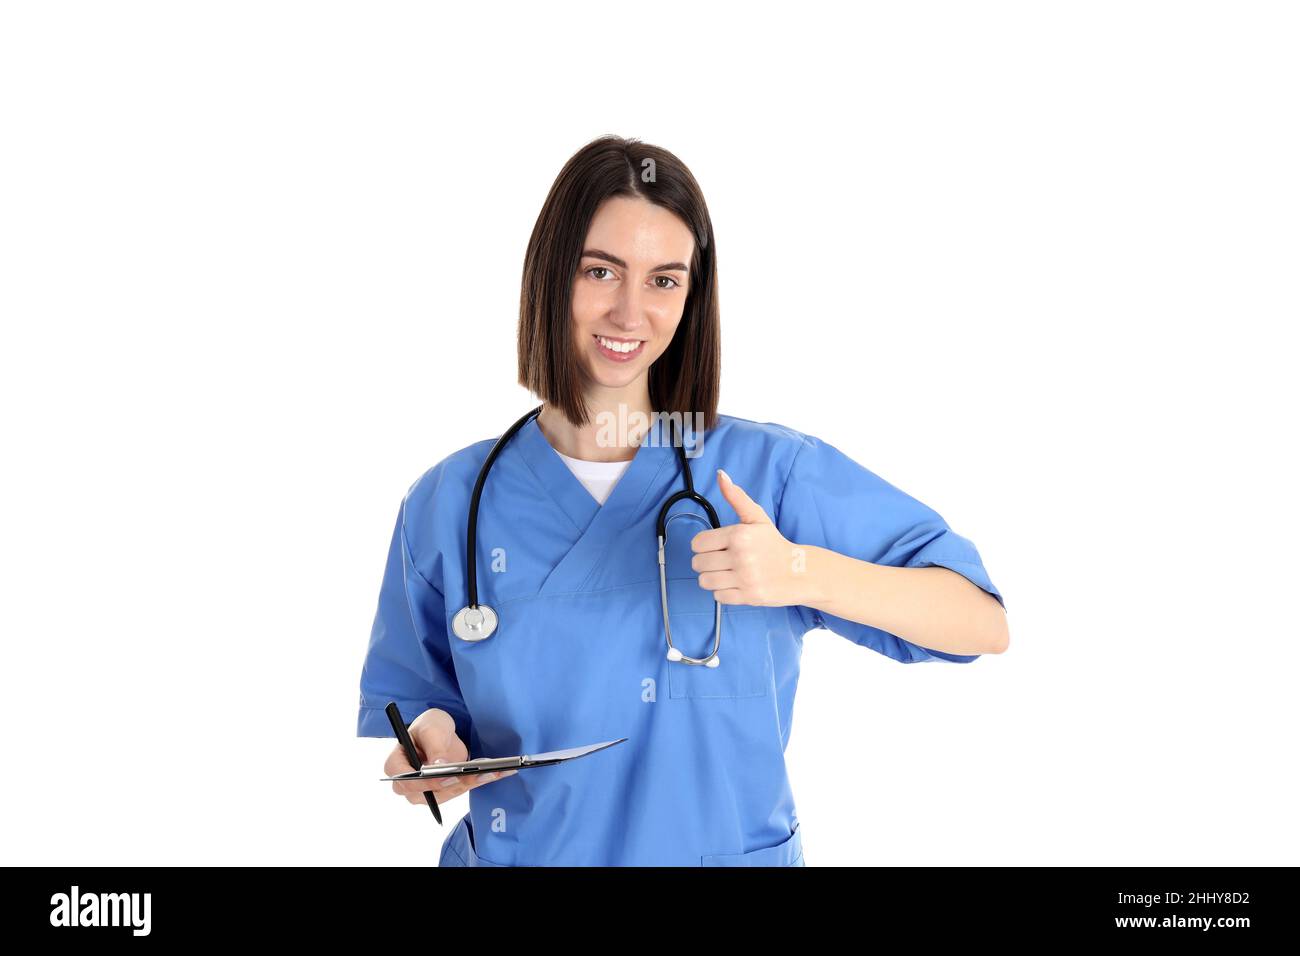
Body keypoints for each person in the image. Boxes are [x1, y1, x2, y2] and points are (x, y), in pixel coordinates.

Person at [356, 135, 1009, 867]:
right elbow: (420, 702)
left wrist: (797, 572)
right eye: (600, 271)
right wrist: (430, 745)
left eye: (665, 281)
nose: (630, 312)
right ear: (549, 275)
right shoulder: (450, 500)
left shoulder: (766, 473)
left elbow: (979, 622)